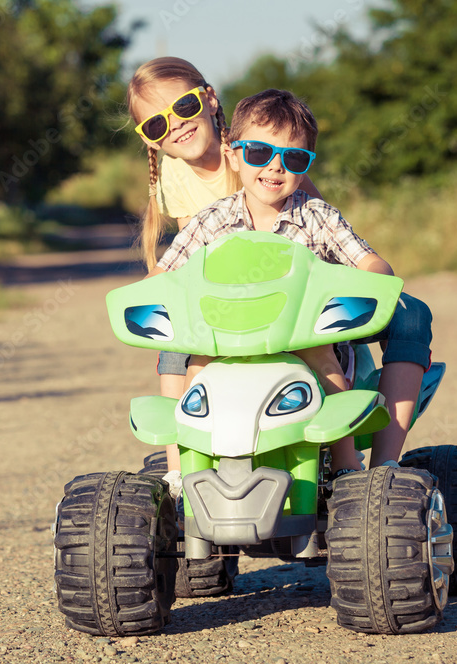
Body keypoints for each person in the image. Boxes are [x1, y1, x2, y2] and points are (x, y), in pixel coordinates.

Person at [150, 88, 433, 478]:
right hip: (228, 335)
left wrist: (370, 278)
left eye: (293, 157)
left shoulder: (318, 217)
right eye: (259, 153)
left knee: (322, 354)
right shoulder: (212, 221)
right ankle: (186, 469)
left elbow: (370, 262)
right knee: (196, 363)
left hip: (303, 335)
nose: (274, 168)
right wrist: (152, 289)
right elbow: (166, 270)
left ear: (306, 165)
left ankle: (348, 463)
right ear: (234, 155)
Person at [126, 58, 323, 490]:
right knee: (177, 353)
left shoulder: (261, 152)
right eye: (157, 125)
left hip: (281, 291)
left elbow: (315, 223)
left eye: (182, 108)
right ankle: (181, 473)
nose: (175, 126)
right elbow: (187, 255)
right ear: (150, 140)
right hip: (220, 299)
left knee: (385, 329)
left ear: (209, 98)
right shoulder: (174, 176)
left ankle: (357, 462)